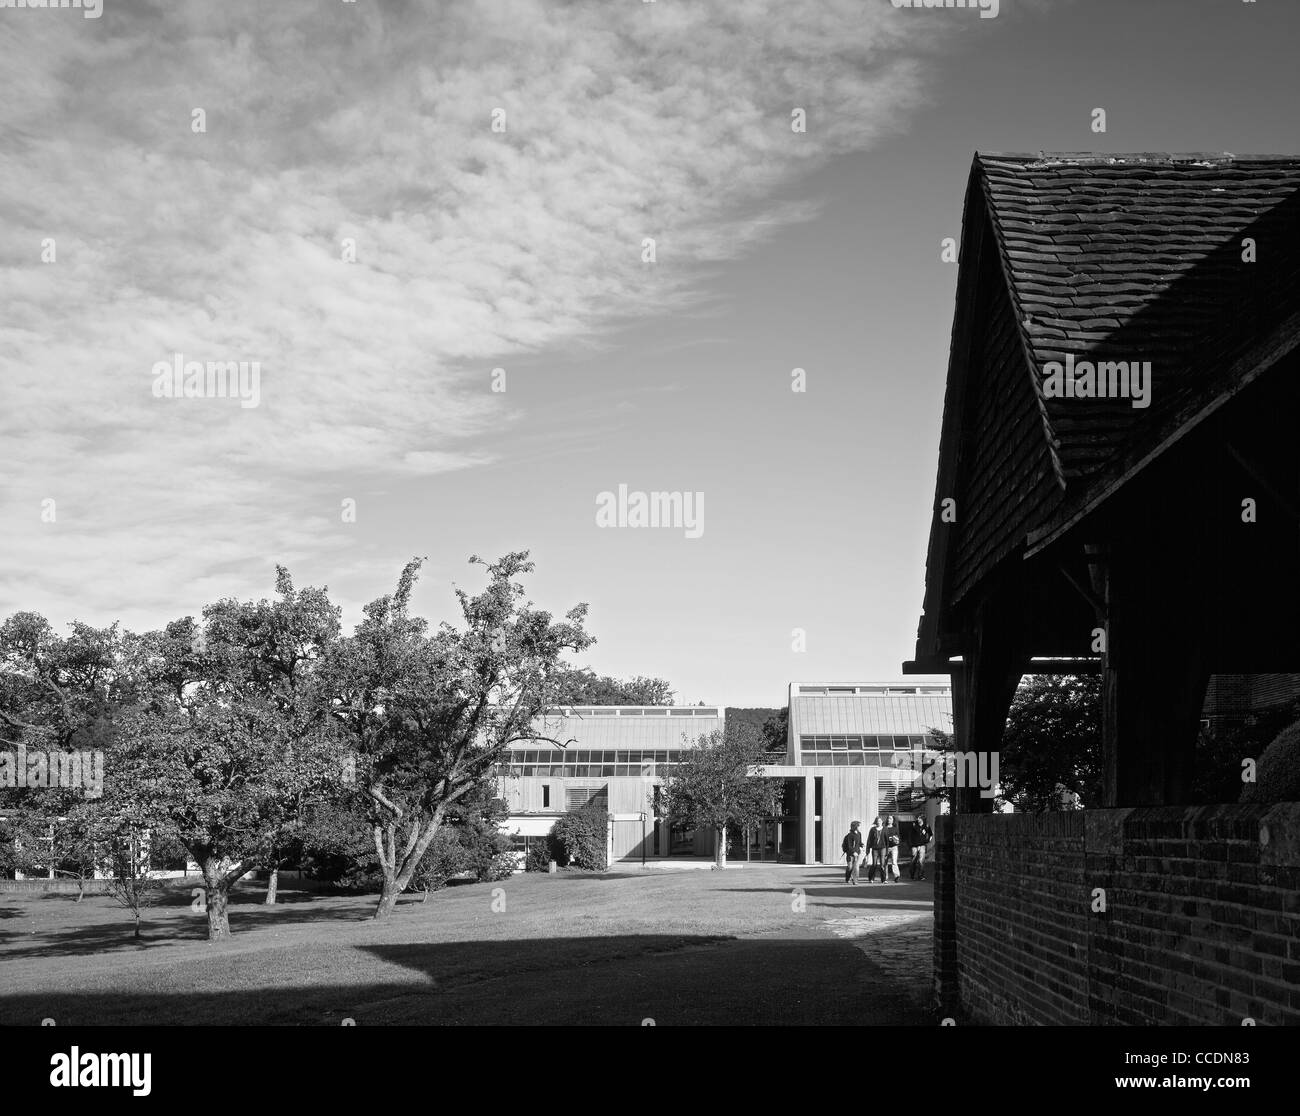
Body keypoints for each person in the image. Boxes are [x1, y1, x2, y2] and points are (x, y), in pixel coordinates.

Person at [910, 814, 933, 880]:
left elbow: (931, 834)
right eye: (917, 818)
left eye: (919, 818)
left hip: (922, 845)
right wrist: (912, 844)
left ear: (922, 819)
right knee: (913, 860)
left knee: (921, 861)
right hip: (914, 845)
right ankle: (912, 874)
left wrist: (928, 840)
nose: (918, 819)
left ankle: (921, 876)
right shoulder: (914, 825)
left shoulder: (926, 825)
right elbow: (910, 835)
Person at [865, 816, 885, 882]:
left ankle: (883, 879)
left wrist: (887, 849)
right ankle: (871, 878)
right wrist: (867, 849)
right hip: (875, 849)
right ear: (875, 822)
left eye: (880, 821)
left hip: (883, 848)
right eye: (877, 821)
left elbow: (887, 839)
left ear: (882, 822)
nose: (878, 822)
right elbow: (869, 840)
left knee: (882, 864)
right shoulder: (872, 829)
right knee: (874, 864)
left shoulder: (885, 829)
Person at [882, 815, 901, 881]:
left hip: (894, 847)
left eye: (890, 818)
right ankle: (885, 877)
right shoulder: (884, 828)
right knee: (885, 863)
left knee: (894, 862)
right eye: (888, 818)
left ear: (893, 820)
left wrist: (894, 839)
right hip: (886, 848)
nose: (889, 820)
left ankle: (896, 876)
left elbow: (898, 839)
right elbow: (882, 838)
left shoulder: (895, 828)